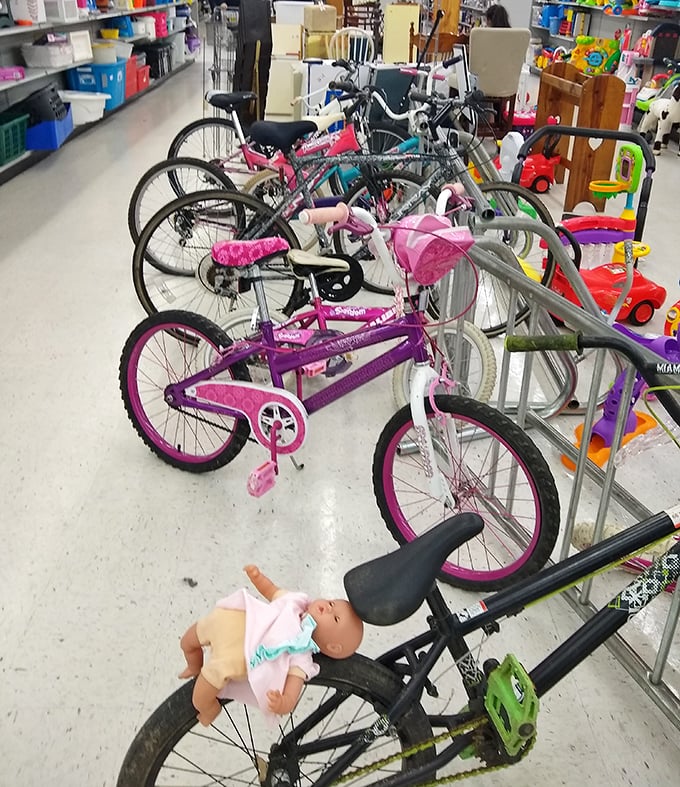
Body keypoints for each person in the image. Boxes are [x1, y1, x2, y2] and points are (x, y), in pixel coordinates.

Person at [179, 564, 364, 726]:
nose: (328, 608)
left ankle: (211, 710)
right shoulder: (296, 602)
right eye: (331, 603)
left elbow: (292, 694)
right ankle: (194, 666)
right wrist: (258, 577)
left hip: (234, 657)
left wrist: (282, 703)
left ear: (332, 647)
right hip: (229, 620)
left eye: (335, 617)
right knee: (187, 642)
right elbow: (272, 591)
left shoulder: (301, 655)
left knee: (200, 699)